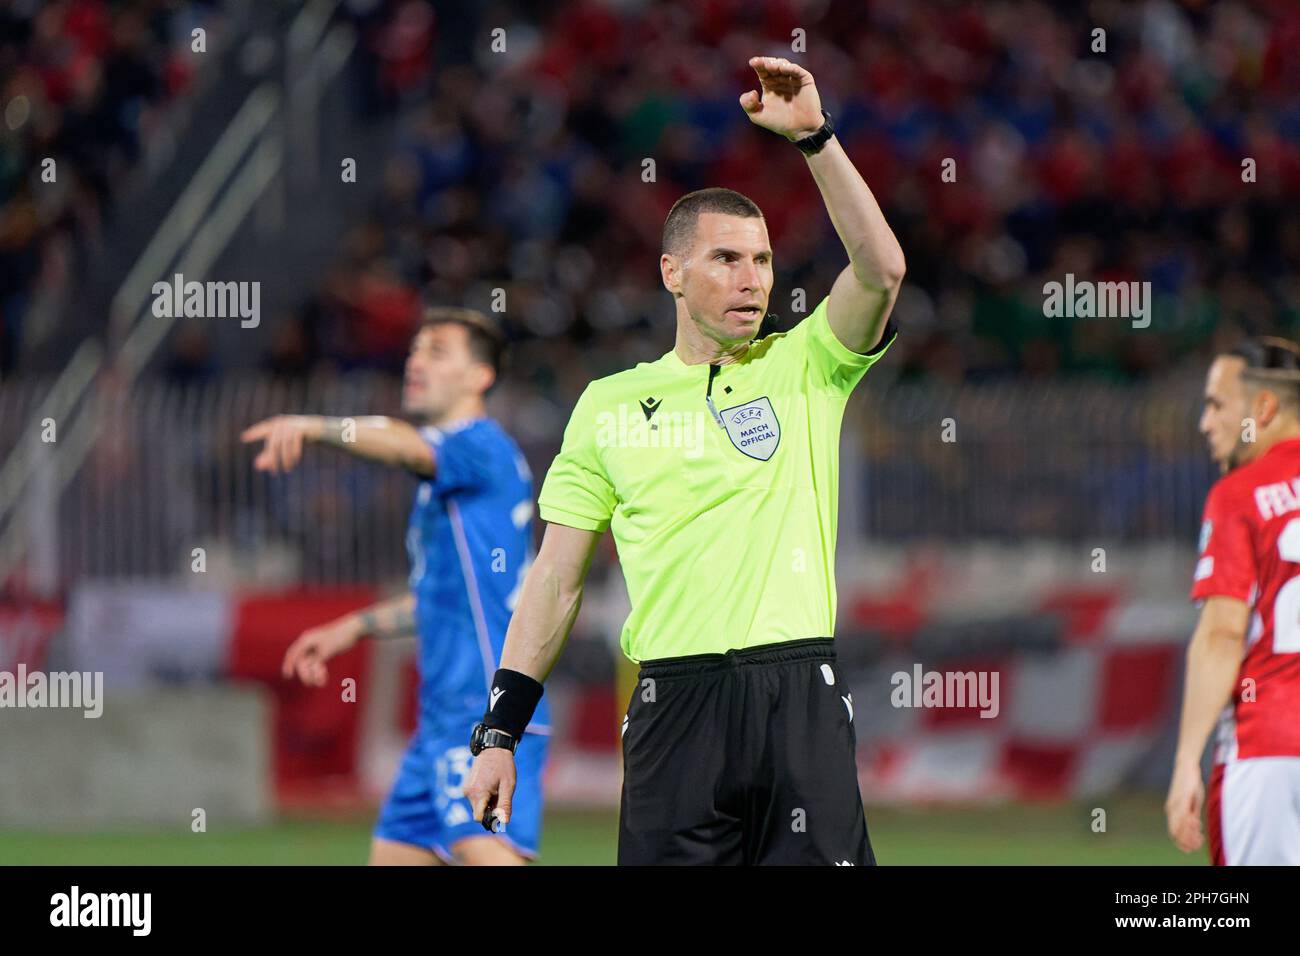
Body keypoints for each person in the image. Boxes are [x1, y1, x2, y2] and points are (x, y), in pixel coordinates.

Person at [463, 56, 904, 865]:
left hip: (798, 700)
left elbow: (883, 270)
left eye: (764, 261)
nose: (752, 280)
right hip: (674, 710)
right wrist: (500, 731)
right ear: (672, 272)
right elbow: (555, 581)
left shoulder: (807, 366)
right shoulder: (608, 405)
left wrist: (816, 140)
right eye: (727, 259)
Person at [241, 307, 549, 865]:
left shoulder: (478, 445)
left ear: (480, 376)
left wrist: (313, 427)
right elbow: (438, 599)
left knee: (487, 854)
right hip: (438, 721)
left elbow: (403, 444)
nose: (415, 360)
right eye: (414, 349)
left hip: (486, 709)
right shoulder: (449, 477)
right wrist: (352, 627)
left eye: (437, 350)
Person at [1166, 336, 1300, 864]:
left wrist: (1185, 762)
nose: (1205, 423)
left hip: (1269, 750)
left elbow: (1222, 634)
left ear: (1262, 408)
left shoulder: (1241, 494)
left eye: (1217, 404)